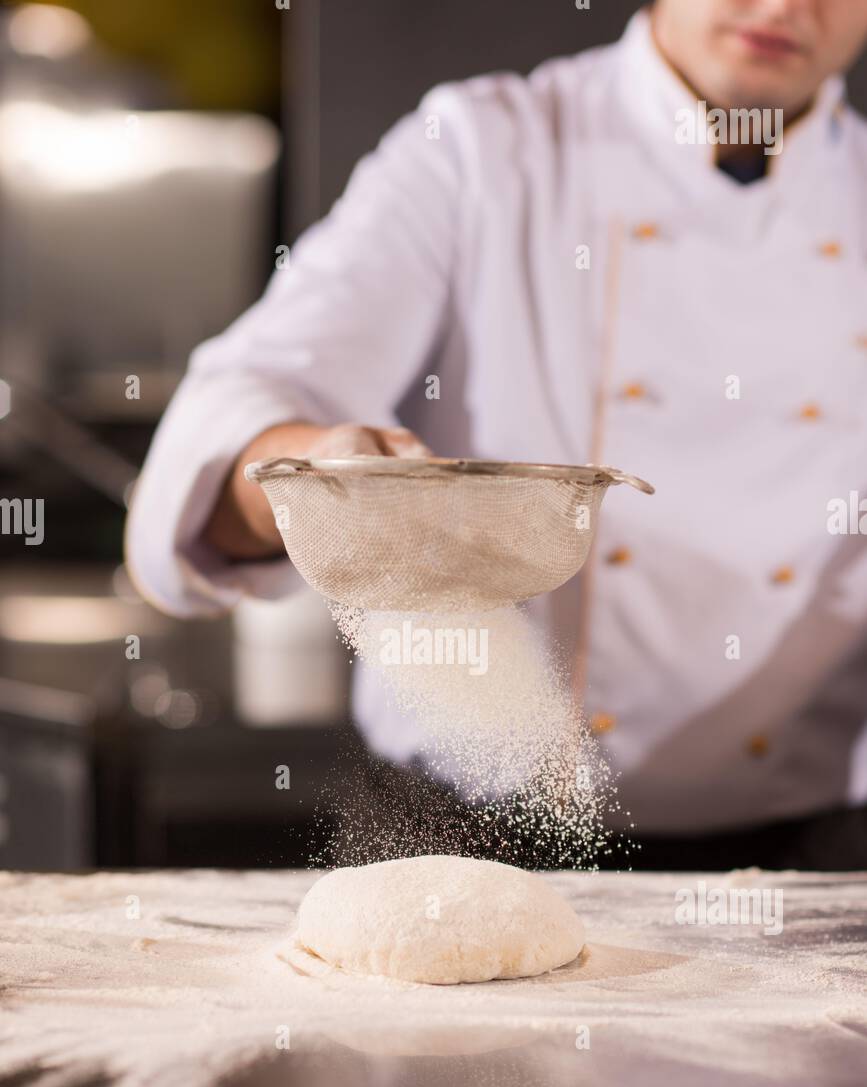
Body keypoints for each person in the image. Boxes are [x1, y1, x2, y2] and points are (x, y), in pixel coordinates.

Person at [126, 1, 867, 871]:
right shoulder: (482, 146)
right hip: (456, 827)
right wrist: (322, 480)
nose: (782, 5)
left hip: (805, 845)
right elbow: (246, 398)